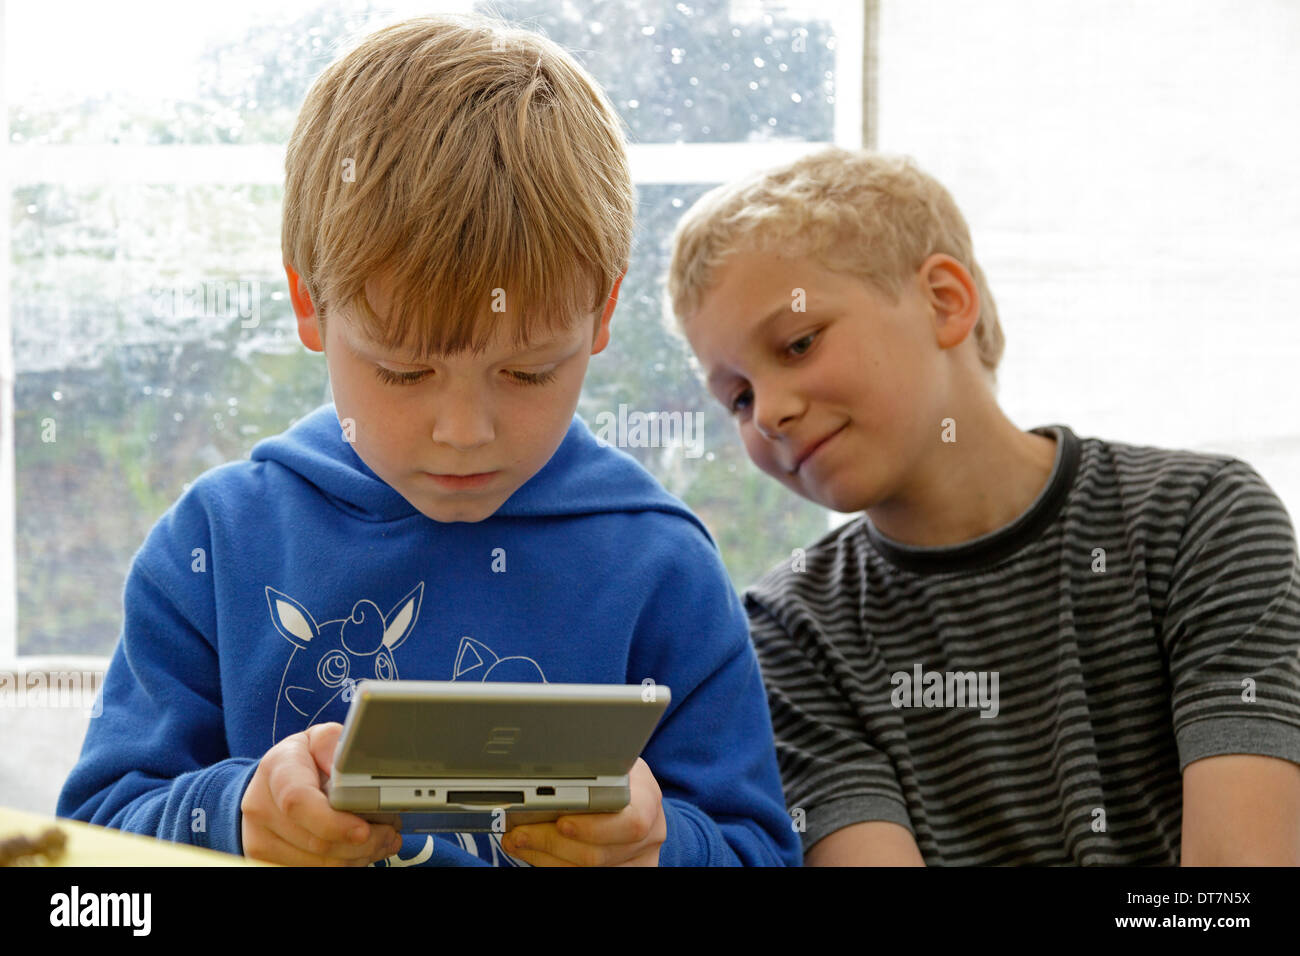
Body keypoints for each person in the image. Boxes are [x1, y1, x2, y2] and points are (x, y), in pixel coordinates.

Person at [56, 13, 800, 869]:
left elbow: (759, 851)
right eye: (405, 373)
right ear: (310, 305)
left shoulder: (661, 567)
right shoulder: (215, 547)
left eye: (527, 373)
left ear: (601, 315)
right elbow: (89, 853)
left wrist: (656, 847)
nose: (464, 433)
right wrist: (234, 816)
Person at [665, 146, 1300, 865]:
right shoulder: (786, 633)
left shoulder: (1203, 520)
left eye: (799, 343)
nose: (771, 412)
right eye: (738, 397)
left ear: (945, 301)